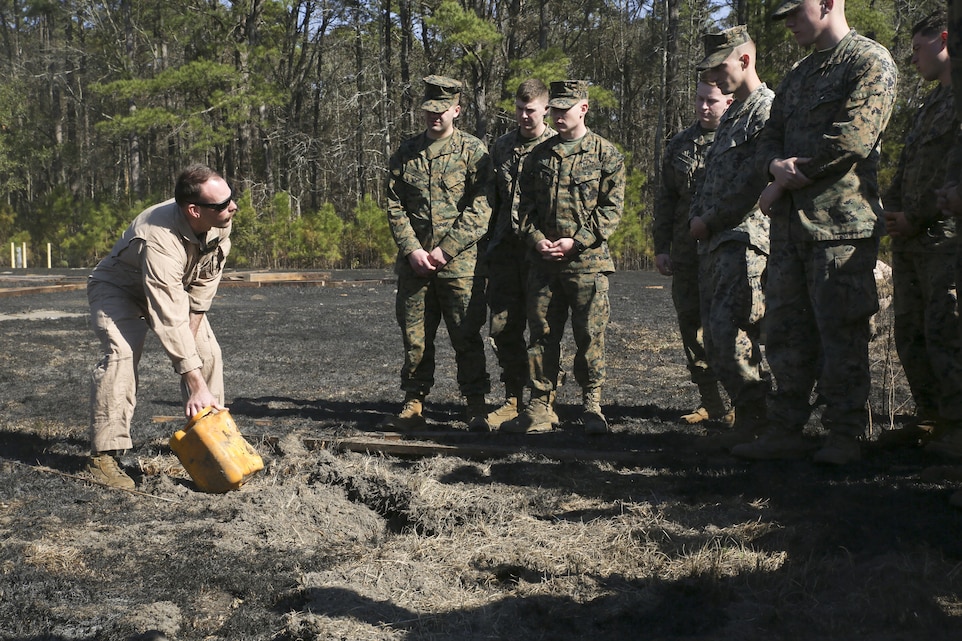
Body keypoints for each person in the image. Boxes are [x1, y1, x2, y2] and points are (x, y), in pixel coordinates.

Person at [732, 0, 897, 464]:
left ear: (827, 3)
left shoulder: (869, 60)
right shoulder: (798, 74)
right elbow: (771, 133)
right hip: (790, 230)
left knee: (841, 332)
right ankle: (786, 427)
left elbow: (854, 137)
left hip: (840, 229)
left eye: (794, 11)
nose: (788, 23)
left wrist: (786, 175)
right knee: (785, 331)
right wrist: (771, 164)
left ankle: (843, 434)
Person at [86, 164, 236, 489]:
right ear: (194, 210)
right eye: (222, 204)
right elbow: (167, 314)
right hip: (120, 290)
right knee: (122, 355)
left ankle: (215, 442)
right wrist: (192, 380)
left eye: (231, 198)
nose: (232, 207)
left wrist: (193, 362)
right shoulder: (159, 239)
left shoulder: (219, 222)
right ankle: (104, 456)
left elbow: (198, 296)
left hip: (172, 290)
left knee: (207, 354)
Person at [502, 80, 625, 435]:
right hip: (543, 264)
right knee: (541, 334)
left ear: (583, 108)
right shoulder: (539, 156)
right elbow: (522, 208)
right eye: (553, 109)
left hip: (587, 264)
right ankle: (541, 403)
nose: (556, 115)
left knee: (590, 334)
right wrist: (537, 239)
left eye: (564, 109)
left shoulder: (605, 154)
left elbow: (610, 210)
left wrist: (577, 241)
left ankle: (591, 404)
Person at [385, 75, 492, 431]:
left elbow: (482, 208)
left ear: (456, 110)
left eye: (442, 110)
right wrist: (413, 249)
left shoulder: (473, 152)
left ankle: (475, 403)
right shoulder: (406, 152)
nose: (435, 117)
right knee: (415, 337)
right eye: (429, 110)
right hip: (415, 266)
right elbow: (394, 205)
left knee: (466, 335)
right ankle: (414, 400)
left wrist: (445, 250)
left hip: (460, 265)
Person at [879, 9, 962, 449]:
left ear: (945, 39)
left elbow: (949, 177)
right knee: (910, 333)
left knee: (945, 331)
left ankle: (956, 424)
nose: (912, 60)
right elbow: (908, 167)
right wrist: (893, 213)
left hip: (943, 241)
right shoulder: (929, 103)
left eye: (917, 49)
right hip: (911, 242)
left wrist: (919, 217)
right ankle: (930, 417)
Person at [689, 26, 774, 448]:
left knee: (731, 333)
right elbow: (710, 180)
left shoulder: (765, 109)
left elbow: (754, 181)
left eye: (720, 67)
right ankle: (750, 418)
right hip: (717, 243)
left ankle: (757, 418)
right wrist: (697, 219)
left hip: (746, 242)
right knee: (718, 337)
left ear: (744, 60)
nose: (715, 78)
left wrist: (712, 219)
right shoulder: (733, 114)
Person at [653, 78, 733, 427]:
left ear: (729, 102)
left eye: (711, 101)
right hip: (687, 253)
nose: (703, 107)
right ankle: (712, 401)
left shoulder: (740, 139)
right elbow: (666, 200)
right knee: (692, 328)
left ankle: (744, 403)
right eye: (699, 99)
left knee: (731, 329)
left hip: (728, 250)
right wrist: (661, 248)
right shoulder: (680, 144)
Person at [483, 79, 557, 430]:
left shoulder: (556, 145)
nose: (525, 116)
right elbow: (492, 201)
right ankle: (513, 398)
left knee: (541, 328)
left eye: (531, 110)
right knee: (502, 327)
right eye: (519, 109)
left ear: (545, 109)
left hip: (539, 253)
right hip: (504, 250)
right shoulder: (501, 146)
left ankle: (541, 400)